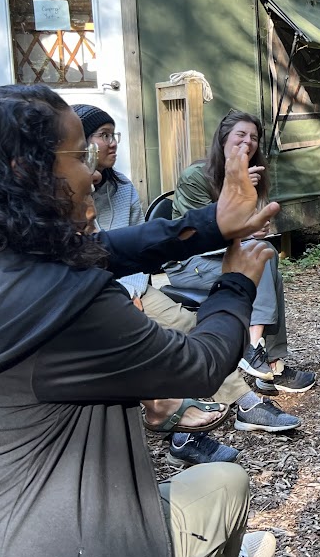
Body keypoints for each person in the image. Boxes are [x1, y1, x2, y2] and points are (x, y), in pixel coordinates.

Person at [0, 85, 279, 557]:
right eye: (78, 156)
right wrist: (237, 279)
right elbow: (202, 364)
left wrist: (211, 223)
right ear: (26, 170)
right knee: (223, 485)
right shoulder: (67, 305)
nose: (92, 173)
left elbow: (104, 249)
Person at [75, 104, 240, 466]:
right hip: (100, 287)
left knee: (186, 325)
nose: (112, 143)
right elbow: (94, 255)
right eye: (103, 135)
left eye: (113, 134)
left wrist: (132, 290)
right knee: (150, 334)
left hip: (132, 283)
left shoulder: (122, 189)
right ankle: (180, 422)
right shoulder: (67, 196)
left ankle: (241, 403)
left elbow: (133, 243)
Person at [166, 111, 314, 435]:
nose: (248, 141)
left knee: (266, 254)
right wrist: (239, 192)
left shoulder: (253, 175)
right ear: (223, 140)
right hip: (189, 263)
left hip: (224, 256)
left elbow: (252, 231)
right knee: (255, 258)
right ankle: (254, 350)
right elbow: (200, 233)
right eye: (240, 135)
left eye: (254, 137)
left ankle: (270, 362)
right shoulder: (197, 176)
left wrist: (253, 219)